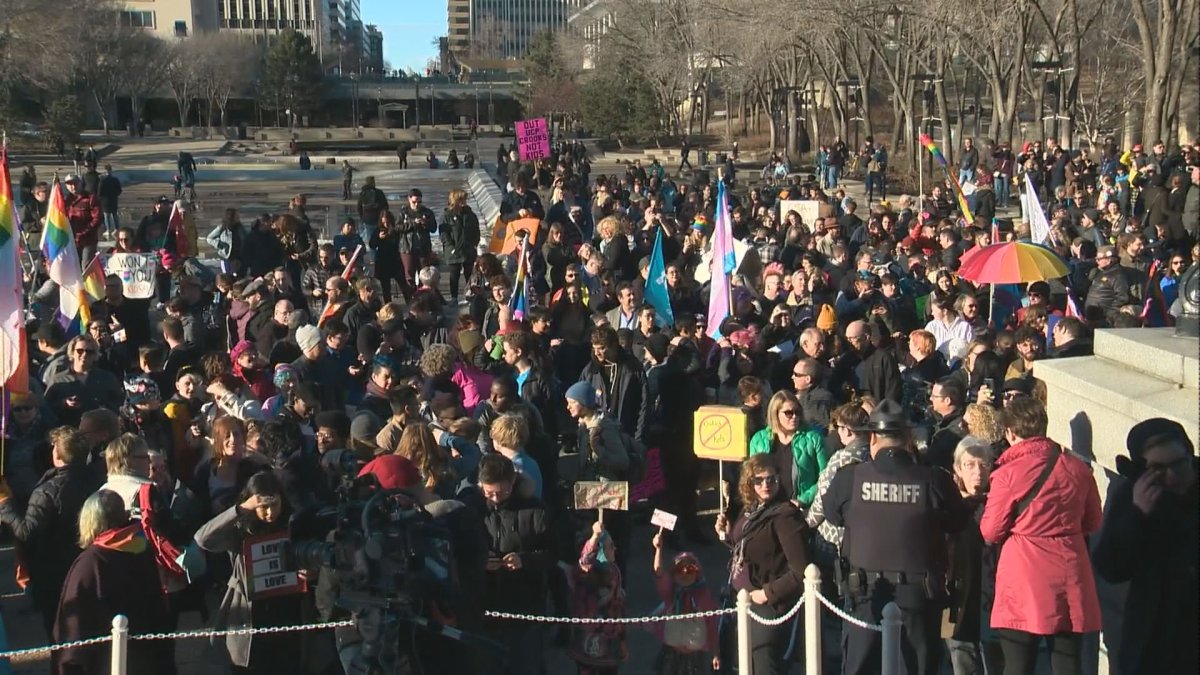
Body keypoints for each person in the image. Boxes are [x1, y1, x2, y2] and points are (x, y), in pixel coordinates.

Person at [823, 399, 968, 675]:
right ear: (908, 437)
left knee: (860, 668)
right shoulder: (934, 479)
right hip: (919, 599)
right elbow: (958, 522)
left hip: (864, 596)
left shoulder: (850, 477)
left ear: (873, 437)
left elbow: (832, 516)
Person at [979, 397, 1101, 675]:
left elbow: (991, 530)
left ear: (1010, 432)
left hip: (1024, 574)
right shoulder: (1079, 469)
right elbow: (1093, 521)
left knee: (1018, 663)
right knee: (1068, 662)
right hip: (1071, 570)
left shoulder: (1009, 473)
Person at [1092, 418, 1198, 675]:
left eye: (1178, 464)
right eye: (1159, 470)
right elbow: (1110, 567)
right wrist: (1138, 516)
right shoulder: (1131, 498)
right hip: (1152, 641)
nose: (1172, 477)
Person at [51, 490, 175, 675]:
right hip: (145, 662)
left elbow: (72, 632)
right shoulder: (141, 549)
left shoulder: (89, 563)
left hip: (102, 664)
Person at [195, 471, 304, 674]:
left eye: (275, 505)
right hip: (249, 616)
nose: (270, 513)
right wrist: (242, 509)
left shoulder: (294, 524)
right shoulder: (240, 531)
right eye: (264, 507)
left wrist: (309, 572)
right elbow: (203, 538)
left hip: (287, 614)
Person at [714, 454, 809, 675]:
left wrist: (766, 594)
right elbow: (747, 550)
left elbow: (800, 571)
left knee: (762, 667)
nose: (766, 485)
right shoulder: (751, 509)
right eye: (759, 480)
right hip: (739, 600)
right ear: (749, 483)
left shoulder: (786, 516)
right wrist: (727, 534)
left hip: (766, 608)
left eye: (771, 479)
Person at [0, 428, 96, 635]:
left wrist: (5, 506)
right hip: (89, 565)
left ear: (58, 455)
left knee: (59, 630)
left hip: (54, 572)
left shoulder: (47, 491)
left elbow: (27, 532)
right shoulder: (98, 479)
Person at [477, 453, 552, 675]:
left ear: (513, 483)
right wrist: (481, 560)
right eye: (489, 493)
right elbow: (464, 548)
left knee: (526, 663)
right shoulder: (475, 508)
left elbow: (555, 552)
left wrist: (525, 560)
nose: (496, 498)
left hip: (526, 602)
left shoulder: (535, 509)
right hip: (488, 601)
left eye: (502, 492)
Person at [944, 436, 1000, 675]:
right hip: (956, 595)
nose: (978, 472)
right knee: (961, 660)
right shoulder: (948, 505)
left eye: (984, 465)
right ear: (957, 468)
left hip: (992, 595)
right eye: (970, 465)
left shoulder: (998, 506)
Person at [648, 529, 720, 673]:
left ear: (697, 573)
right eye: (679, 569)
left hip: (695, 657)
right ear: (673, 575)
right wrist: (658, 549)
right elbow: (659, 572)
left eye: (690, 569)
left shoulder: (703, 597)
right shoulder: (671, 595)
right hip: (671, 654)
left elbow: (712, 626)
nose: (685, 573)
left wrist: (716, 654)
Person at [747, 390, 827, 506]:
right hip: (767, 506)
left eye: (797, 412)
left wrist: (804, 500)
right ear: (775, 414)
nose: (794, 417)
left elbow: (826, 476)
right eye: (788, 413)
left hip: (799, 508)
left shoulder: (814, 439)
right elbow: (750, 476)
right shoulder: (759, 439)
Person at [568, 520, 627, 675]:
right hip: (588, 639)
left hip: (610, 640)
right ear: (600, 550)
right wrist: (595, 536)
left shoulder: (615, 571)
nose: (615, 549)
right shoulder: (586, 574)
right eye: (610, 546)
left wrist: (622, 640)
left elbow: (619, 607)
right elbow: (585, 561)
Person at [441, 188, 481, 305]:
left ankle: (469, 295)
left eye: (465, 199)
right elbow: (444, 233)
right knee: (454, 274)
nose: (464, 202)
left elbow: (476, 230)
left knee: (469, 273)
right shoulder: (447, 215)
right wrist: (451, 247)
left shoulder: (470, 214)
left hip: (468, 249)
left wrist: (475, 243)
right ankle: (454, 297)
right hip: (454, 250)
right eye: (461, 199)